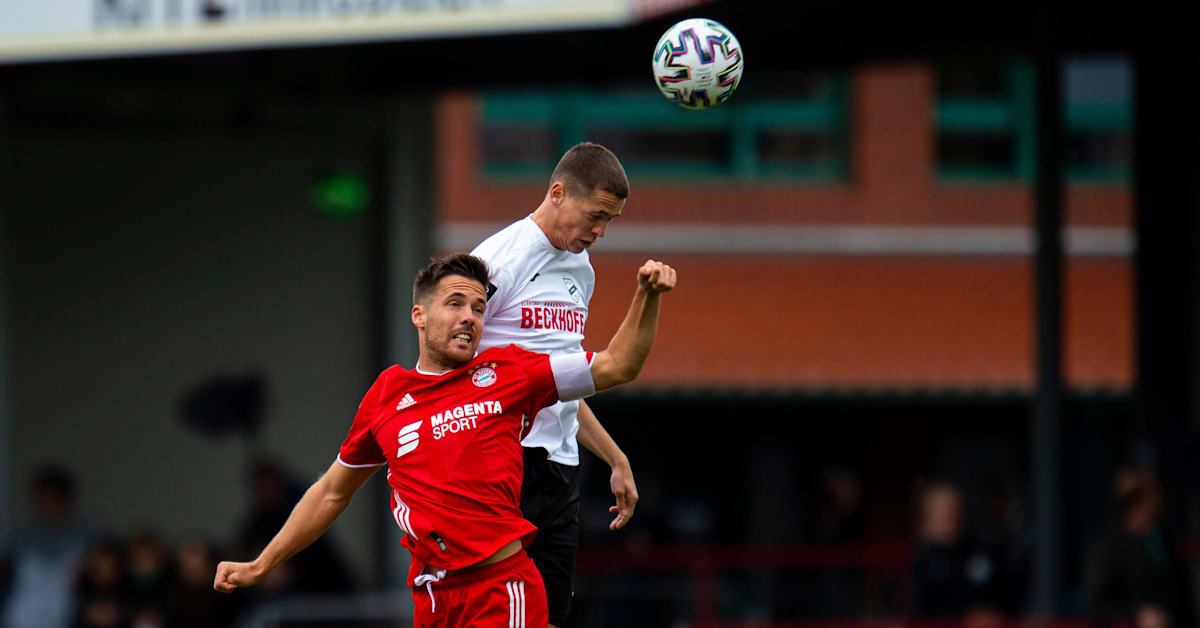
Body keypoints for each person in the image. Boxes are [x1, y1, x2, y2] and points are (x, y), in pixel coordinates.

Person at [213, 253, 676, 627]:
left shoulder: (508, 373)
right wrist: (262, 563)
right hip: (432, 596)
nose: (470, 317)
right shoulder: (386, 395)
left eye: (478, 308)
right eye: (455, 303)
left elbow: (618, 365)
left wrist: (646, 296)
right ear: (419, 314)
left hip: (500, 590)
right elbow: (332, 492)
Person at [470, 142, 637, 627]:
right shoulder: (497, 261)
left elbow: (559, 381)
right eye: (596, 215)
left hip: (561, 469)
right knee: (500, 614)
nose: (600, 231)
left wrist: (615, 457)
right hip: (502, 464)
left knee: (549, 615)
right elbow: (451, 362)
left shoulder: (581, 272)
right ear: (559, 193)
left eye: (611, 221)